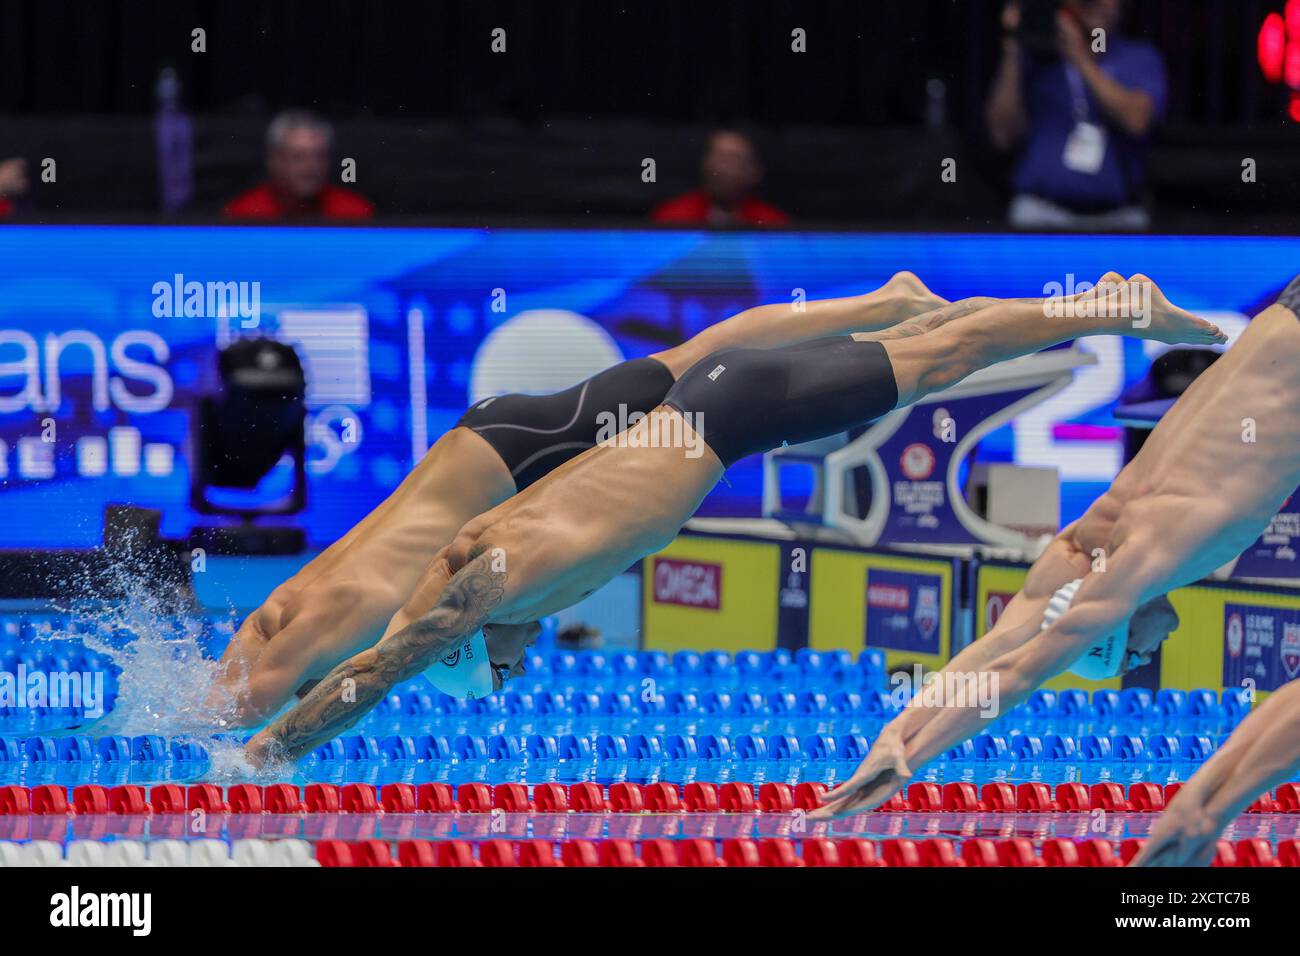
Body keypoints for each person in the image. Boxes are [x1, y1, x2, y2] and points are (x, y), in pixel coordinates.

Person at [244, 275, 1225, 766]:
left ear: (470, 641)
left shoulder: (494, 577)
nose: (524, 661)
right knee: (927, 345)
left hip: (734, 415)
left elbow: (379, 667)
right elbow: (394, 638)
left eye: (502, 663)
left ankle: (1116, 306)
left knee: (946, 351)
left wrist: (267, 755)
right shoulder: (482, 567)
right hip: (709, 405)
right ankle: (970, 303)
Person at [214, 272, 943, 723]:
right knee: (692, 363)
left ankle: (888, 301)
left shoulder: (331, 616)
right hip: (480, 452)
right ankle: (884, 303)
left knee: (702, 364)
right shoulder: (292, 605)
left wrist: (213, 742)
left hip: (516, 457)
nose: (517, 666)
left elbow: (250, 711)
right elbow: (242, 677)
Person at [812, 276, 1300, 829]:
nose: (1144, 660)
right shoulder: (1095, 537)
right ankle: (1118, 305)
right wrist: (895, 734)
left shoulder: (1154, 547)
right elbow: (995, 646)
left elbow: (1018, 672)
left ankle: (1115, 307)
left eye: (1127, 656)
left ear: (1113, 622)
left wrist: (909, 762)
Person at [987, 0, 1166, 230]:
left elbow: (1136, 121)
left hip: (1118, 216)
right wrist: (1013, 48)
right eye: (1087, 2)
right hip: (1041, 212)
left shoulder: (1138, 58)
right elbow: (1002, 135)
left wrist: (1081, 57)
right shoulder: (1040, 59)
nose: (1098, 6)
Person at [223, 110, 374, 220]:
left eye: (318, 156)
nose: (310, 167)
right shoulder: (242, 214)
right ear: (274, 161)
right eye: (298, 157)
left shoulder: (355, 213)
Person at [651, 128, 788, 227]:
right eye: (715, 156)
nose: (719, 167)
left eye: (732, 159)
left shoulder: (773, 224)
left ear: (755, 172)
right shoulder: (670, 218)